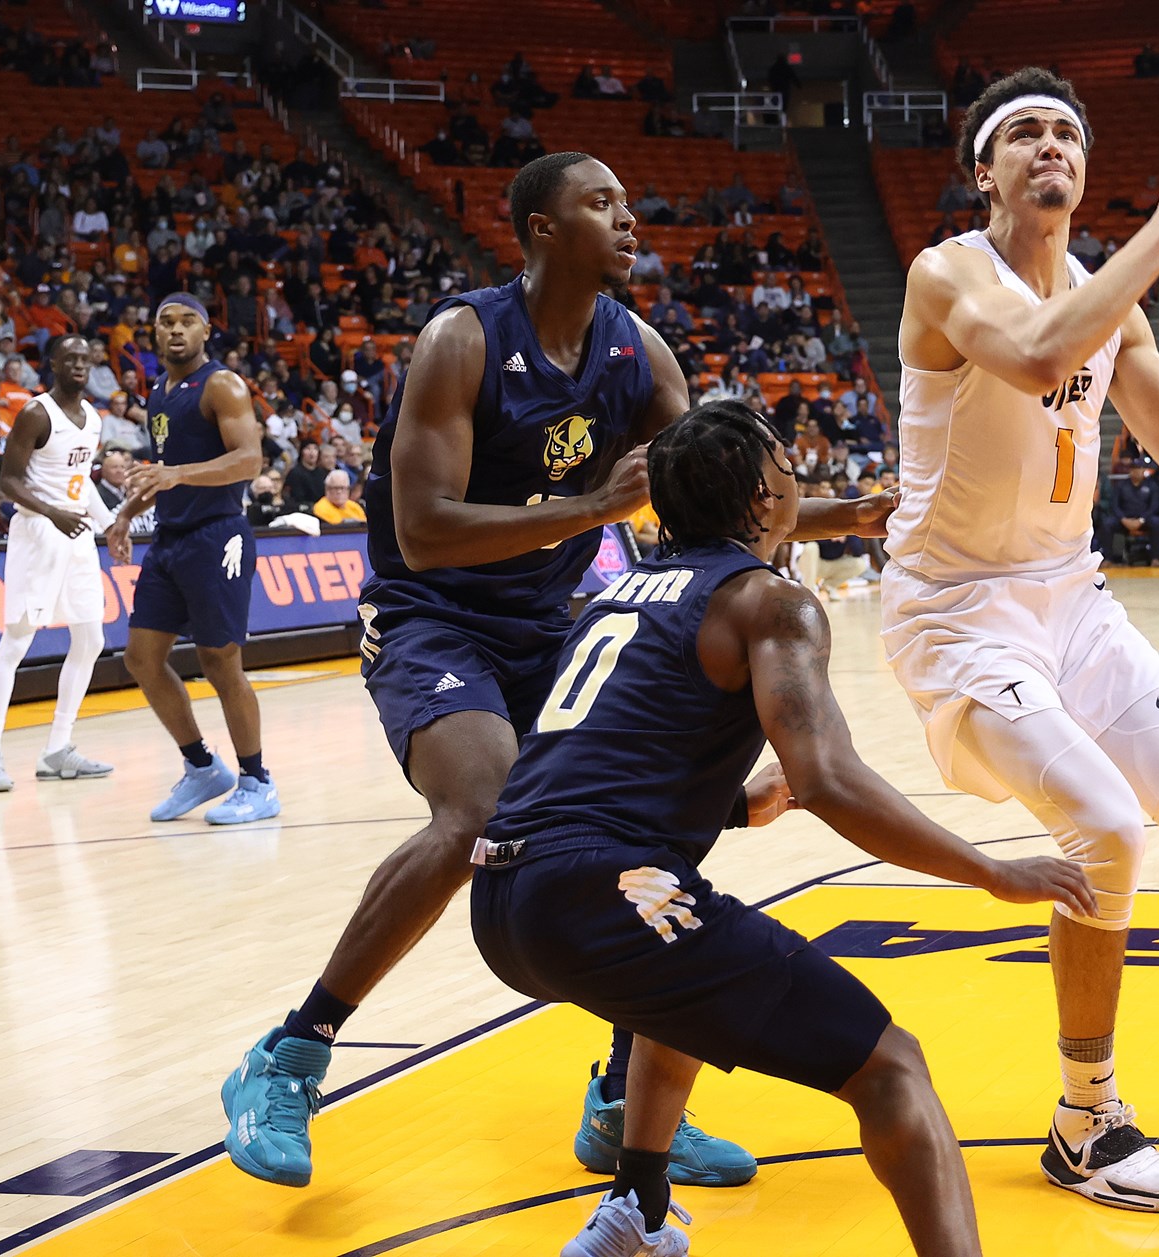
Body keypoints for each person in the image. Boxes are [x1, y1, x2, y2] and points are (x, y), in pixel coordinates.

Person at [218, 152, 893, 1194]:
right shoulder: (463, 340)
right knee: (479, 814)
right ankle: (292, 1052)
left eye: (629, 201)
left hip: (552, 624)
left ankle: (624, 1100)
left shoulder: (639, 353)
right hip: (433, 618)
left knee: (655, 815)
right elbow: (424, 531)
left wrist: (851, 516)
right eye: (601, 203)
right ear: (540, 228)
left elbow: (713, 500)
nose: (629, 220)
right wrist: (590, 508)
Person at [477, 401, 1094, 1255]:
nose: (799, 482)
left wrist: (730, 803)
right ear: (764, 499)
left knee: (684, 974)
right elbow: (830, 780)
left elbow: (590, 763)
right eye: (790, 470)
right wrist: (990, 870)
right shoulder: (769, 602)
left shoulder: (617, 593)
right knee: (892, 1066)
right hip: (599, 890)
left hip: (502, 892)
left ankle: (638, 1208)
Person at [888, 69, 1159, 1214]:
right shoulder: (947, 275)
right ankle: (1085, 1120)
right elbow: (1040, 354)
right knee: (1103, 825)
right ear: (984, 171)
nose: (1051, 147)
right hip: (955, 611)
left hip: (1072, 601)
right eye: (1025, 134)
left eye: (1068, 135)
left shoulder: (1111, 303)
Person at [107, 295, 275, 824]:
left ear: (205, 331)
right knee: (140, 657)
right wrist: (125, 514)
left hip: (217, 535)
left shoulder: (222, 385)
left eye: (187, 322)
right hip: (170, 538)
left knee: (220, 662)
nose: (176, 330)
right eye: (166, 323)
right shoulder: (159, 390)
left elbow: (249, 460)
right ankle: (202, 767)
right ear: (154, 333)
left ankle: (257, 781)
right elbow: (164, 472)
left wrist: (177, 474)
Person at [0, 336, 118, 792]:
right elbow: (8, 483)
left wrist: (110, 524)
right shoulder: (37, 414)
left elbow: (81, 481)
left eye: (85, 358)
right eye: (70, 358)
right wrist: (54, 513)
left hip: (77, 536)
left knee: (91, 638)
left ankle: (58, 748)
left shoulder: (93, 418)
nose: (79, 365)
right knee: (17, 639)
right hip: (39, 531)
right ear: (53, 364)